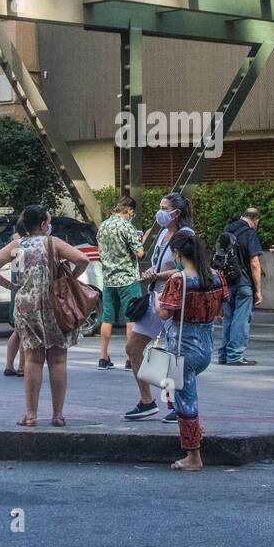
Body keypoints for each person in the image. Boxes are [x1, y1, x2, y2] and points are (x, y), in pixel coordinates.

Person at [0, 205, 90, 427]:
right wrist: (69, 280)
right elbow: (82, 260)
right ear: (42, 225)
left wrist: (12, 286)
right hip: (54, 306)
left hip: (25, 306)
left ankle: (31, 415)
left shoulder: (16, 245)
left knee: (32, 359)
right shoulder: (53, 243)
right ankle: (57, 415)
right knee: (58, 359)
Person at [156, 229, 227, 470]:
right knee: (173, 387)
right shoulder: (217, 277)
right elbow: (220, 310)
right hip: (205, 346)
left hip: (182, 347)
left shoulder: (179, 280)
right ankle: (194, 426)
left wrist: (157, 301)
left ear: (178, 253)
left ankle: (193, 456)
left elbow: (165, 312)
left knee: (185, 401)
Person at [124, 192, 193, 419]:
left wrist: (159, 275)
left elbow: (188, 268)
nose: (160, 212)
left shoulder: (186, 236)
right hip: (155, 296)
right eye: (160, 207)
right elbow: (157, 263)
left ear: (177, 213)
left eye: (165, 208)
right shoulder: (163, 232)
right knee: (133, 348)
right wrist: (152, 273)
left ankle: (176, 403)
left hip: (174, 299)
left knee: (173, 352)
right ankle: (147, 400)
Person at [96, 197, 144, 370]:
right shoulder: (127, 227)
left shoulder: (103, 226)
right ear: (129, 210)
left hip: (109, 279)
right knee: (131, 317)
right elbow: (139, 253)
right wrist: (141, 242)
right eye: (133, 212)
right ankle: (131, 359)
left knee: (107, 318)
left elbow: (101, 252)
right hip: (127, 279)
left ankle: (103, 357)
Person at [218, 207, 263, 365]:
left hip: (227, 282)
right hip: (244, 283)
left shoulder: (227, 231)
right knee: (241, 320)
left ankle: (223, 354)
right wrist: (258, 290)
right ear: (255, 220)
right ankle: (235, 355)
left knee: (228, 318)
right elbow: (255, 264)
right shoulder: (250, 234)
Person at [3, 218, 27, 377]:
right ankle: (22, 367)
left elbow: (16, 272)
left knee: (18, 332)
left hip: (17, 293)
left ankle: (10, 366)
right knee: (25, 333)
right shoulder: (20, 246)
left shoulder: (15, 245)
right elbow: (20, 275)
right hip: (24, 295)